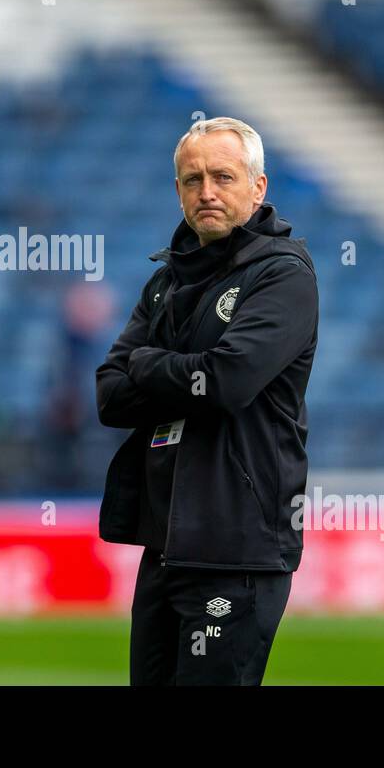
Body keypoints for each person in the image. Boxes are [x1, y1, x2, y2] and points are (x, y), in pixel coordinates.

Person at [95, 117, 319, 685]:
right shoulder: (165, 280)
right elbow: (109, 397)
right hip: (166, 543)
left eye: (223, 176)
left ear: (258, 187)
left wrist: (148, 364)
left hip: (236, 548)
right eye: (192, 180)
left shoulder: (283, 275)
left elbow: (226, 382)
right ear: (178, 191)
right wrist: (171, 373)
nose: (207, 192)